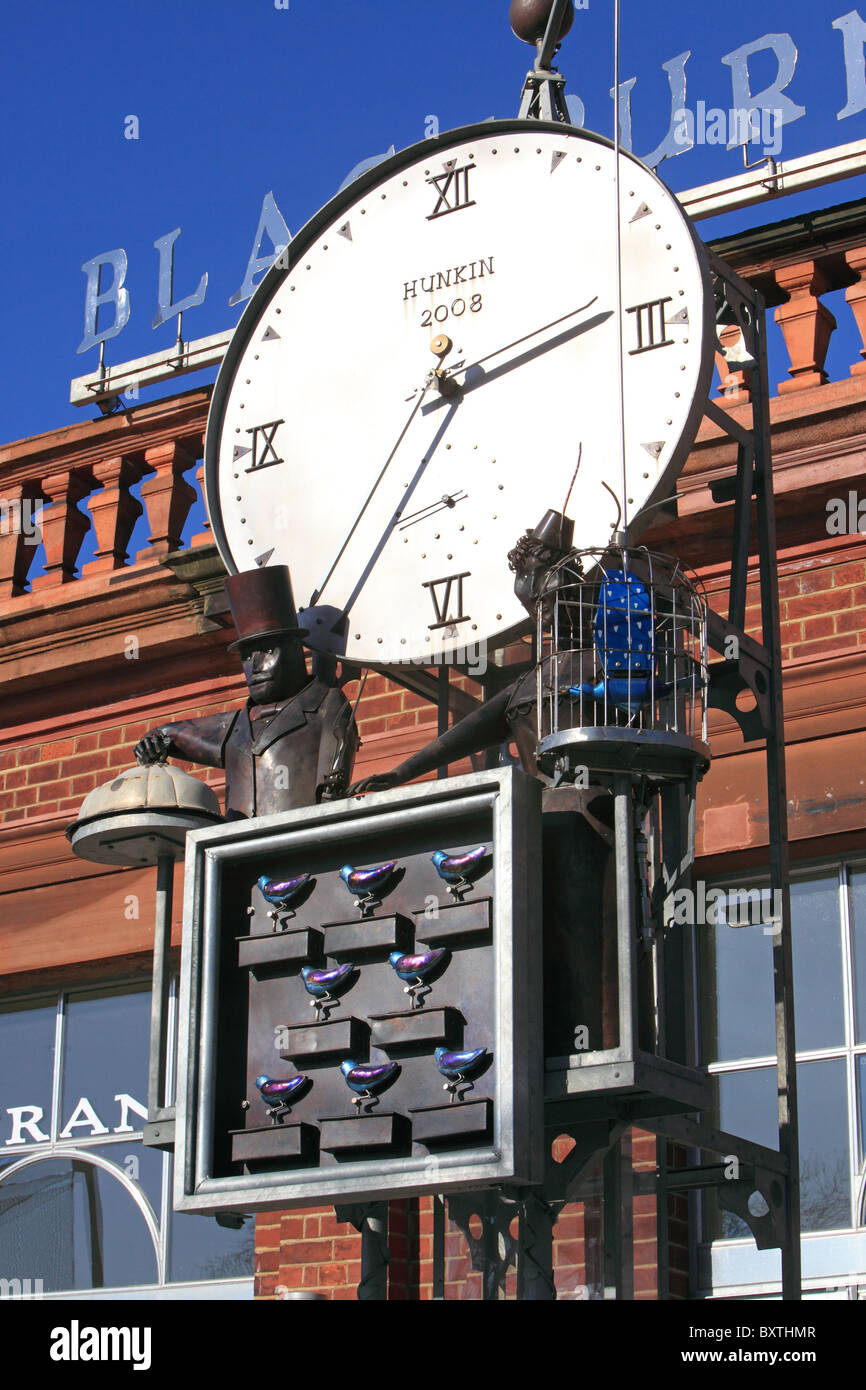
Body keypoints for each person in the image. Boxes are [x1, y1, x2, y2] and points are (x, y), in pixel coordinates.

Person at [349, 509, 579, 795]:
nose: (539, 611)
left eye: (545, 596)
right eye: (532, 604)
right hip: (539, 824)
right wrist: (399, 773)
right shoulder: (530, 685)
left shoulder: (609, 661)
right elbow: (471, 729)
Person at [134, 566, 358, 818]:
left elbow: (332, 799)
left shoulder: (326, 706)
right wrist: (153, 743)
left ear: (295, 648)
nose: (255, 667)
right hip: (238, 855)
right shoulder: (235, 727)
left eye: (267, 651)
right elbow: (167, 734)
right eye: (247, 656)